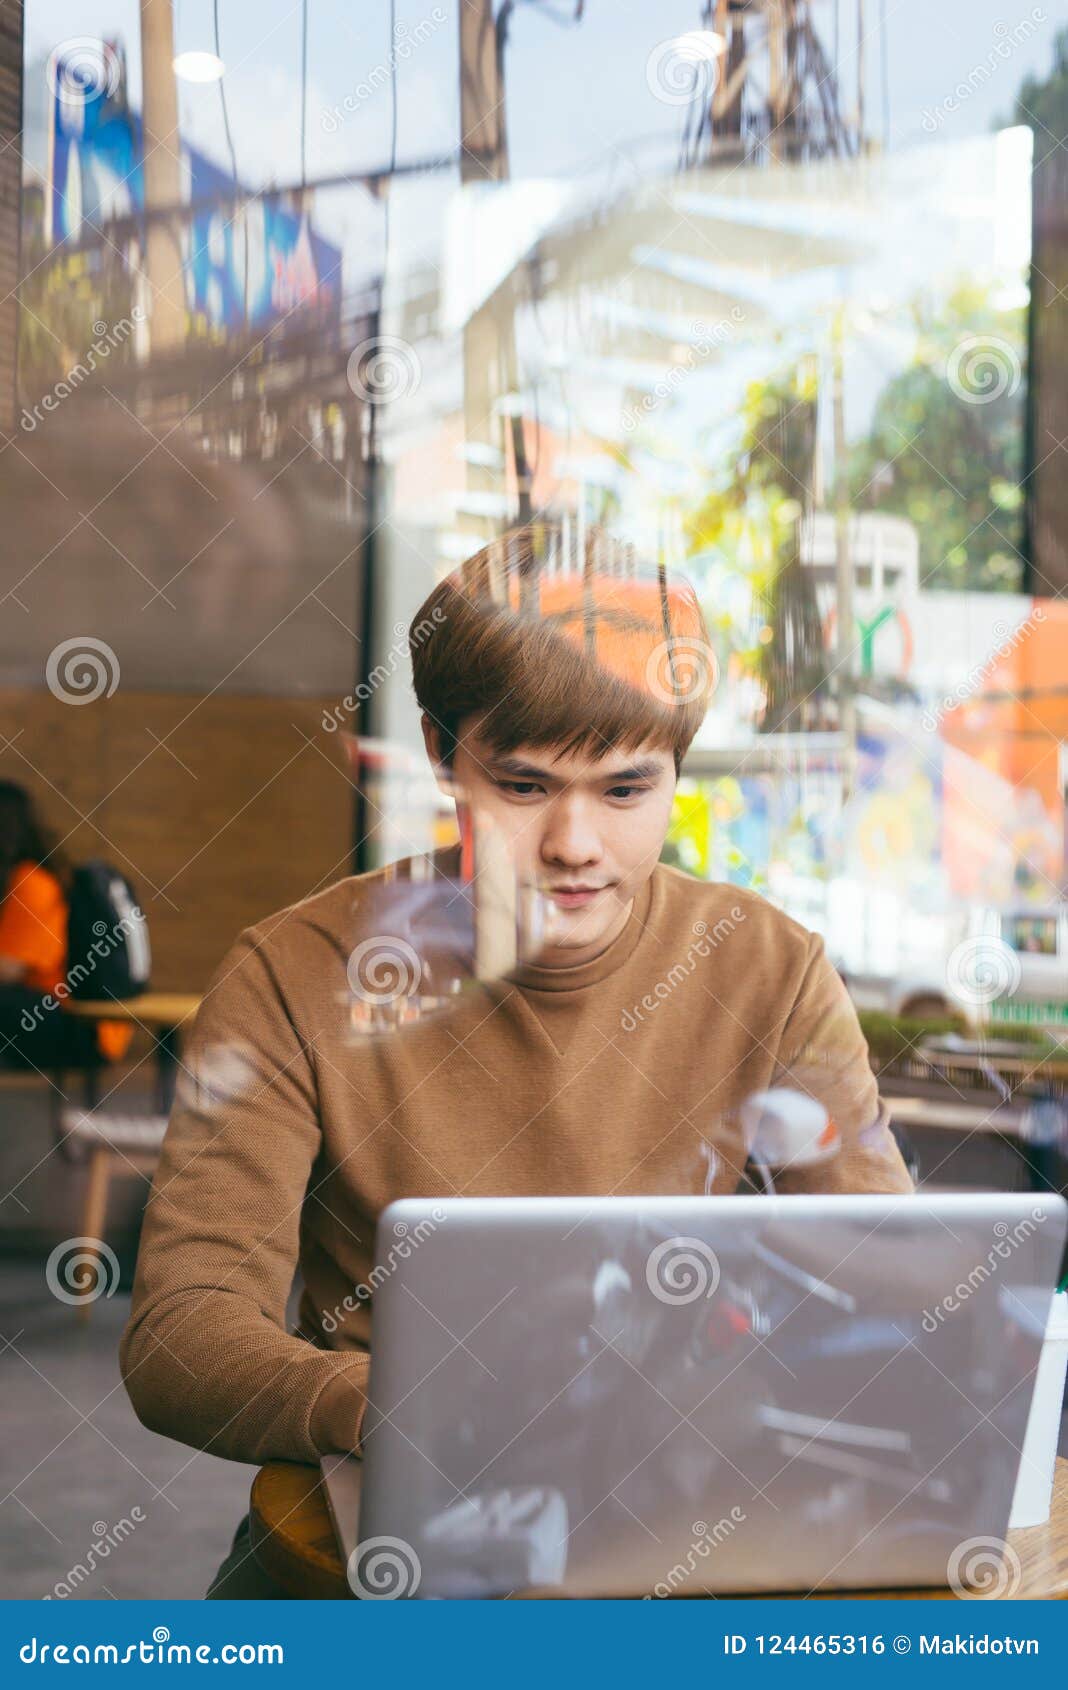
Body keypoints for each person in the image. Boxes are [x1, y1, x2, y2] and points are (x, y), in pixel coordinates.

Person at [118, 527, 914, 1598]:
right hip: (370, 1554)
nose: (576, 844)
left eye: (627, 791)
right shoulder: (296, 976)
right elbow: (182, 1331)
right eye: (527, 787)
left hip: (685, 1538)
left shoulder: (768, 967)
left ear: (677, 772)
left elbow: (889, 1279)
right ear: (444, 753)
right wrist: (383, 1410)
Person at [0, 781, 127, 1070]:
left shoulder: (31, 883)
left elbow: (8, 970)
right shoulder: (29, 878)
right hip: (55, 1016)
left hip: (81, 1028)